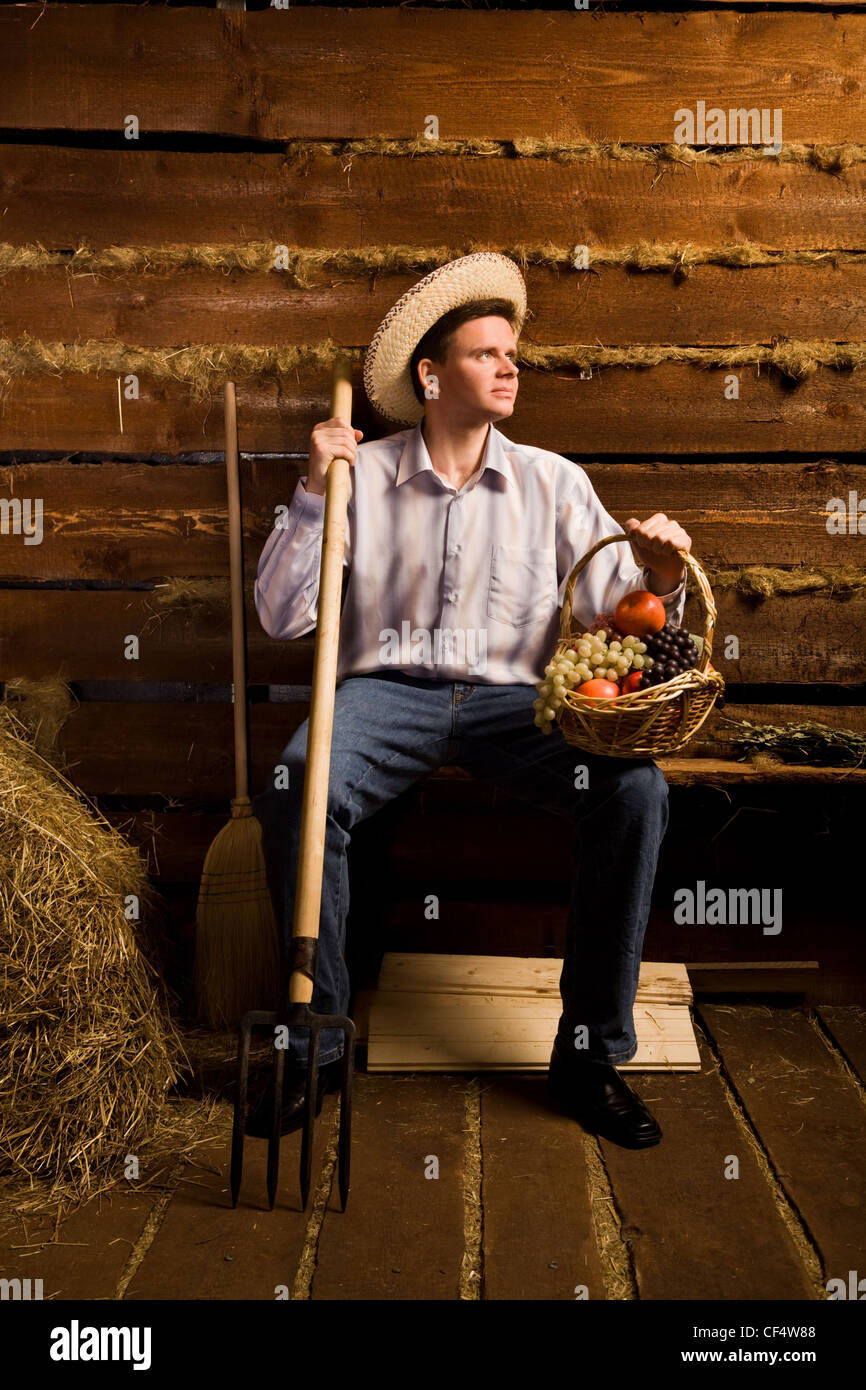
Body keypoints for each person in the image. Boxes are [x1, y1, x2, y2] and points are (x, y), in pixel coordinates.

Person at [248, 252, 691, 1149]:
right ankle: (319, 1043)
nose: (509, 366)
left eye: (511, 353)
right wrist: (308, 492)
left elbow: (628, 615)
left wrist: (662, 574)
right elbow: (281, 617)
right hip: (384, 698)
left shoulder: (553, 484)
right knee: (299, 784)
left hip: (517, 710)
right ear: (430, 373)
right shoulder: (360, 476)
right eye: (487, 352)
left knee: (636, 791)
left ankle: (589, 1055)